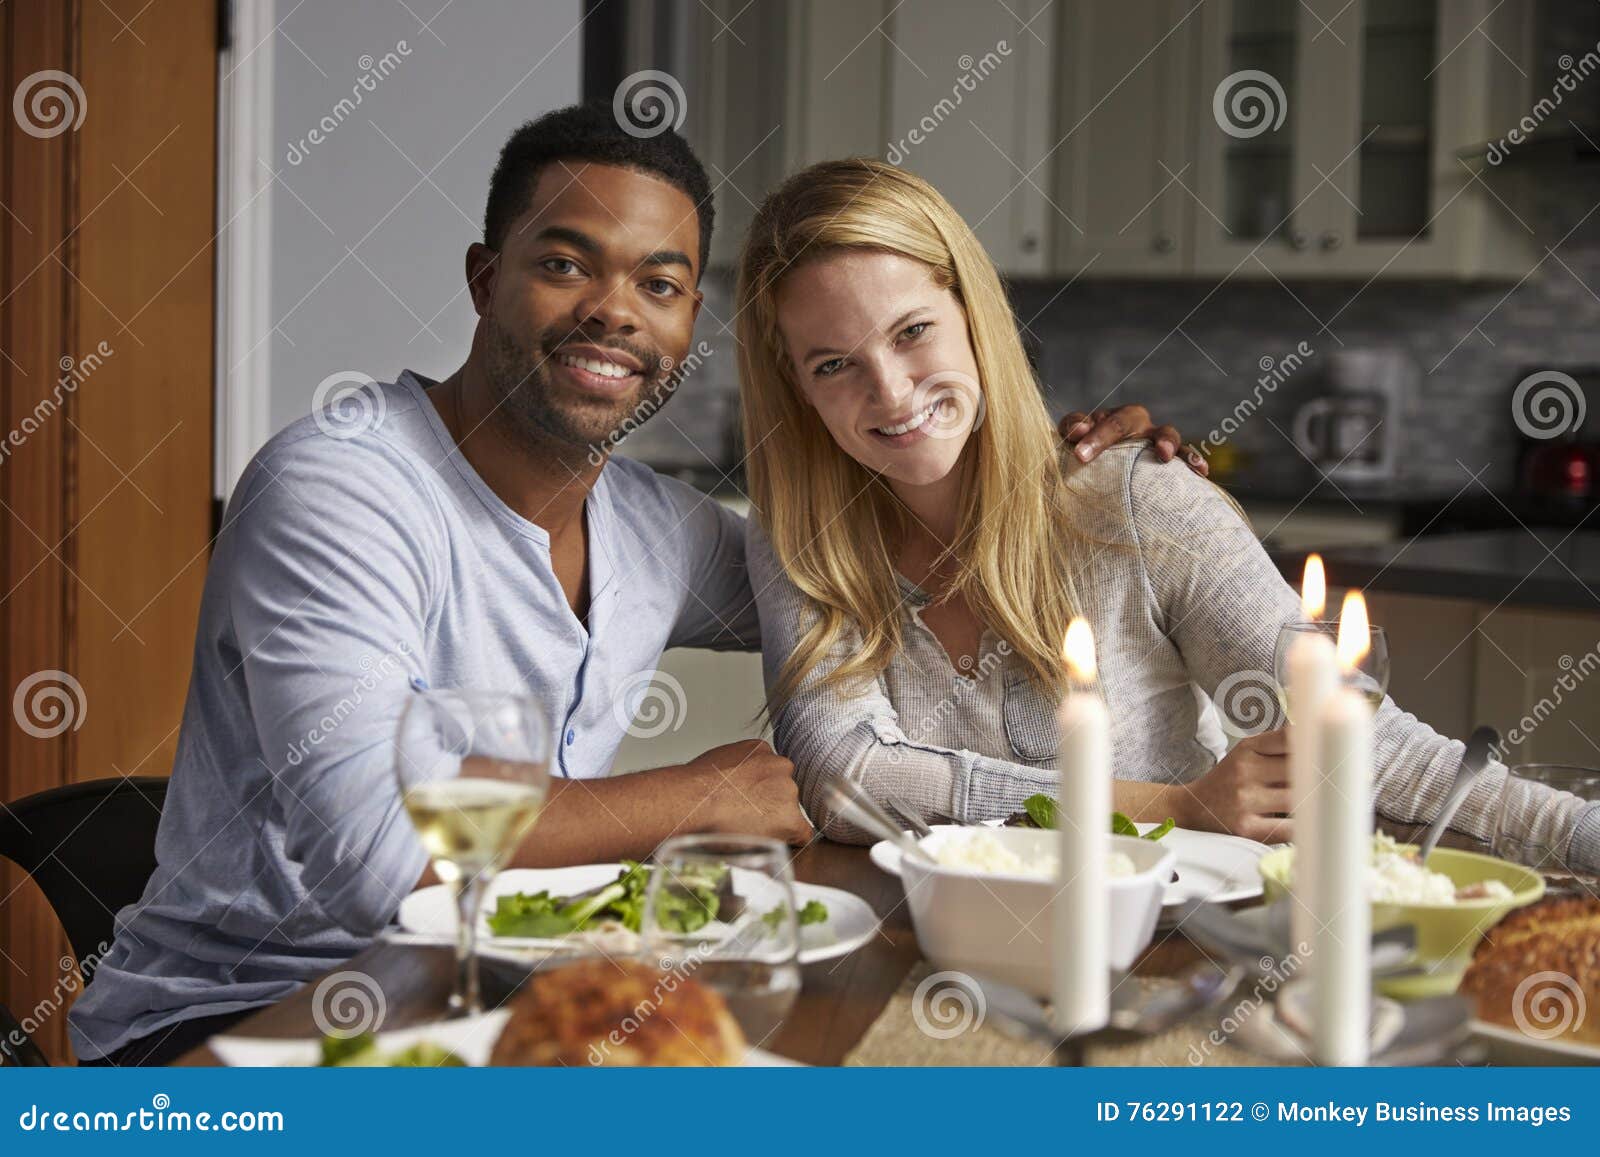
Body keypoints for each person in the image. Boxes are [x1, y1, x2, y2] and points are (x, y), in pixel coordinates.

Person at [68, 105, 1181, 1066]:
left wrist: (1072, 481)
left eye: (660, 283)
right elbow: (379, 861)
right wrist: (698, 795)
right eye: (566, 264)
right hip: (239, 1029)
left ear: (689, 324)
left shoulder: (657, 528)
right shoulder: (338, 488)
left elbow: (885, 565)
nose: (615, 309)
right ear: (484, 279)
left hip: (491, 995)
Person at [736, 157, 1600, 874]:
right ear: (796, 388)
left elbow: (1371, 749)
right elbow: (843, 779)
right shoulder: (801, 541)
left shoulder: (1138, 498)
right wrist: (1174, 808)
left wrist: (1580, 839)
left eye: (912, 331)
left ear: (974, 315)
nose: (890, 392)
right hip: (918, 953)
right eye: (833, 364)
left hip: (1168, 953)